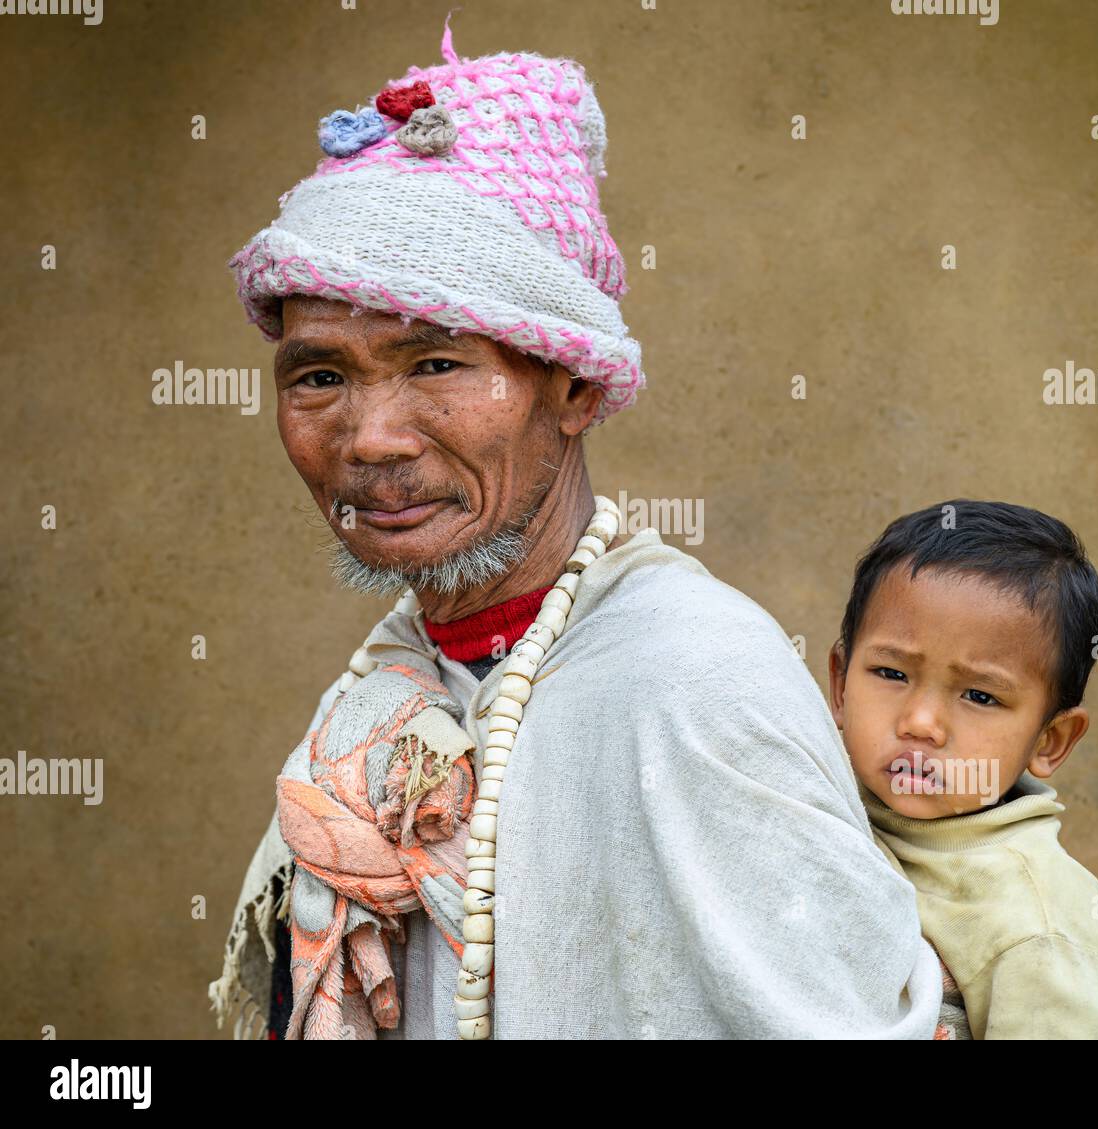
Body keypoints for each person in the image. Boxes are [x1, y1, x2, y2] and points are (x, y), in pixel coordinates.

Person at [207, 15, 943, 1039]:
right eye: (320, 377)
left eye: (436, 364)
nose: (369, 439)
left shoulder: (694, 685)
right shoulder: (390, 688)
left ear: (576, 388)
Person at [828, 500, 1098, 1039]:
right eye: (891, 672)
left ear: (1049, 739)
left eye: (979, 696)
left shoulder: (1038, 920)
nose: (921, 723)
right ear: (840, 684)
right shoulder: (807, 793)